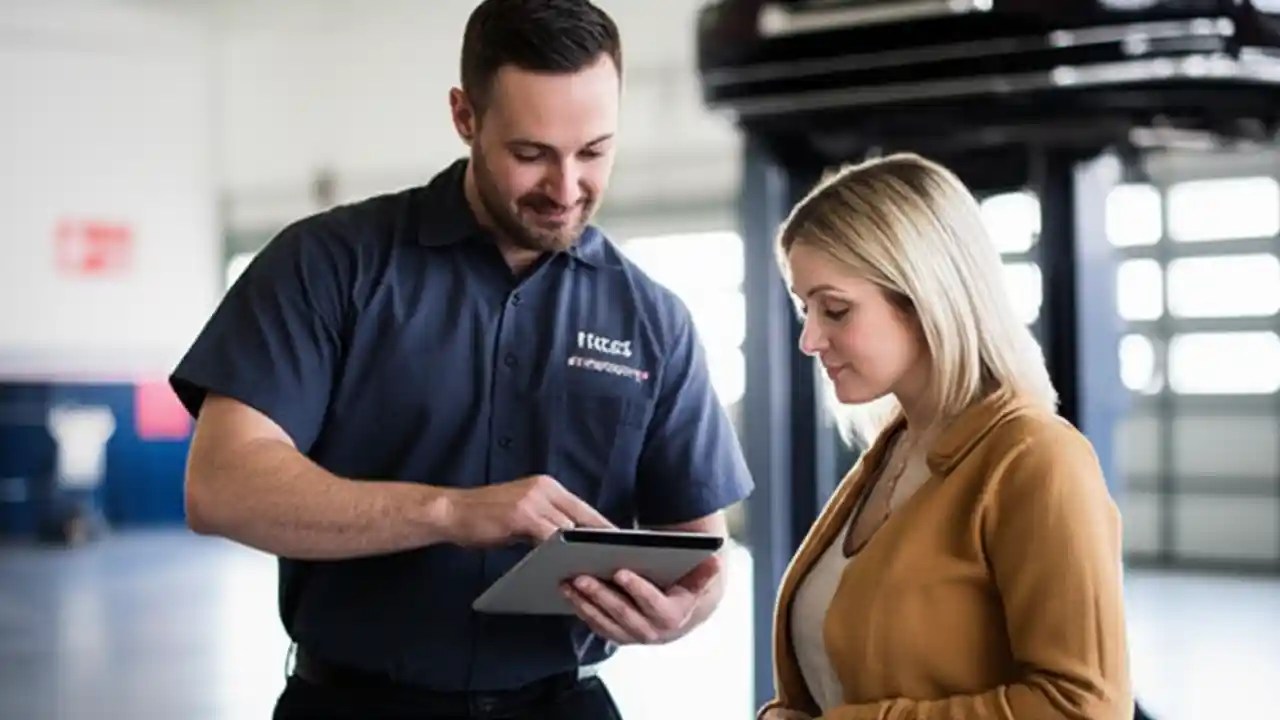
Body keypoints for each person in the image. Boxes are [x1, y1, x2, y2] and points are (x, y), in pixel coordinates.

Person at [169, 1, 753, 717]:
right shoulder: (327, 266)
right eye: (532, 153)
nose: (566, 188)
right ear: (465, 116)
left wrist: (680, 614)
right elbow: (222, 485)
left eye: (595, 151)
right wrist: (449, 511)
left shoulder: (654, 319)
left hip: (562, 704)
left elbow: (701, 553)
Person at [759, 153, 1133, 720]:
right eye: (803, 308)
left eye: (835, 309)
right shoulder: (893, 453)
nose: (809, 339)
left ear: (925, 298)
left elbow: (1082, 708)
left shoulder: (1035, 460)